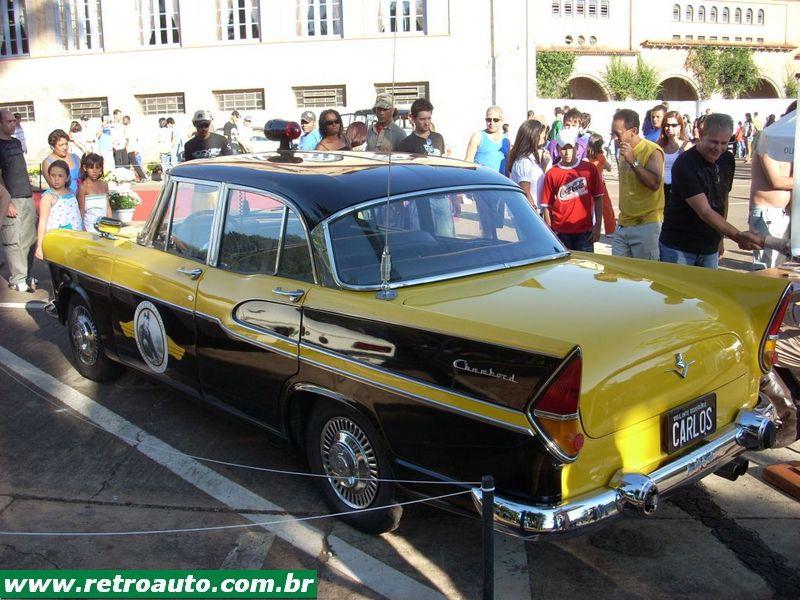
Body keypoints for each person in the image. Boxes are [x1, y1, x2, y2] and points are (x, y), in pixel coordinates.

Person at [660, 113, 762, 269]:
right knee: (680, 292)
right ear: (701, 135)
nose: (718, 148)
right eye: (714, 142)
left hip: (710, 247)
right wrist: (738, 236)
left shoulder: (727, 159)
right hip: (679, 247)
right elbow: (705, 211)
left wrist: (720, 236)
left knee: (706, 292)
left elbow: (723, 198)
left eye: (724, 143)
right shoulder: (685, 164)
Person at [610, 108, 665, 260]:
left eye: (618, 133)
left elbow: (654, 183)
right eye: (613, 133)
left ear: (633, 131)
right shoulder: (623, 151)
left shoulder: (652, 151)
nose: (615, 138)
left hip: (646, 225)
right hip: (623, 224)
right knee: (619, 275)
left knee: (644, 278)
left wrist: (633, 161)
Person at [747, 101, 796, 270]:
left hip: (784, 213)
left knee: (782, 267)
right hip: (767, 212)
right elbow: (776, 181)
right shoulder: (770, 138)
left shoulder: (790, 142)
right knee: (767, 267)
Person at [540, 128, 603, 252]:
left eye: (570, 147)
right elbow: (547, 205)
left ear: (576, 148)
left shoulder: (589, 169)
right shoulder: (552, 173)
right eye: (563, 148)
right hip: (561, 232)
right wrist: (551, 231)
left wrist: (597, 227)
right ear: (558, 149)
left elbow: (598, 197)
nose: (567, 152)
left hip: (585, 232)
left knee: (586, 268)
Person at [0, 110, 36, 291]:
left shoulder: (15, 142)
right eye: (9, 121)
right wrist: (7, 202)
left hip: (26, 195)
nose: (13, 124)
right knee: (13, 240)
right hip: (11, 198)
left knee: (30, 239)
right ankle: (17, 278)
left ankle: (27, 274)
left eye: (14, 121)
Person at [34, 160, 83, 260]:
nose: (56, 179)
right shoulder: (48, 197)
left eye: (60, 176)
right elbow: (42, 222)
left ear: (67, 177)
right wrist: (40, 246)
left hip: (75, 238)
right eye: (53, 175)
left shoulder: (71, 192)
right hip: (58, 241)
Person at [507, 119, 550, 213]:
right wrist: (535, 214)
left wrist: (544, 165)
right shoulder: (523, 161)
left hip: (537, 210)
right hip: (530, 212)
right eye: (542, 134)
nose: (544, 137)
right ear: (533, 136)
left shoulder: (532, 157)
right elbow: (525, 191)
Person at [657, 111, 693, 203]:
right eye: (667, 125)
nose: (669, 128)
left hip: (679, 189)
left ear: (680, 126)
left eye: (674, 125)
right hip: (660, 189)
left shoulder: (687, 145)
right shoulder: (658, 145)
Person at [585, 133, 616, 235]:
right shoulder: (600, 156)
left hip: (589, 184)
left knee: (589, 207)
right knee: (606, 207)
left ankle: (589, 227)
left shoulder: (587, 156)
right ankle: (610, 230)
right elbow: (609, 168)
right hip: (600, 184)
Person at [465, 105, 510, 174]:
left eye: (495, 120)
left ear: (501, 121)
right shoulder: (478, 136)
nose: (492, 123)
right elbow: (468, 162)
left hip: (501, 182)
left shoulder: (506, 140)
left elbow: (507, 164)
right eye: (489, 120)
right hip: (482, 182)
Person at [77, 153, 110, 232]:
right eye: (91, 168)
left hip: (104, 227)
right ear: (85, 168)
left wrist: (110, 225)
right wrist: (82, 229)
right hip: (89, 228)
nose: (94, 171)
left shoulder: (104, 185)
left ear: (101, 169)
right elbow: (81, 210)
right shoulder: (83, 187)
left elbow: (108, 207)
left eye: (97, 167)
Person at [42, 129, 81, 194]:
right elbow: (54, 186)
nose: (65, 147)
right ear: (52, 147)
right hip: (62, 199)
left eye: (66, 144)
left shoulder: (75, 157)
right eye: (61, 145)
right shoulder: (47, 162)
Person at [123, 115, 146, 181]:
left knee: (134, 163)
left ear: (128, 120)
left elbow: (127, 139)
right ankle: (133, 177)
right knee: (128, 163)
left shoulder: (128, 128)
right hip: (131, 148)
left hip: (130, 148)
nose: (123, 121)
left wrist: (126, 147)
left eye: (124, 120)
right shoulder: (130, 128)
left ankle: (142, 176)